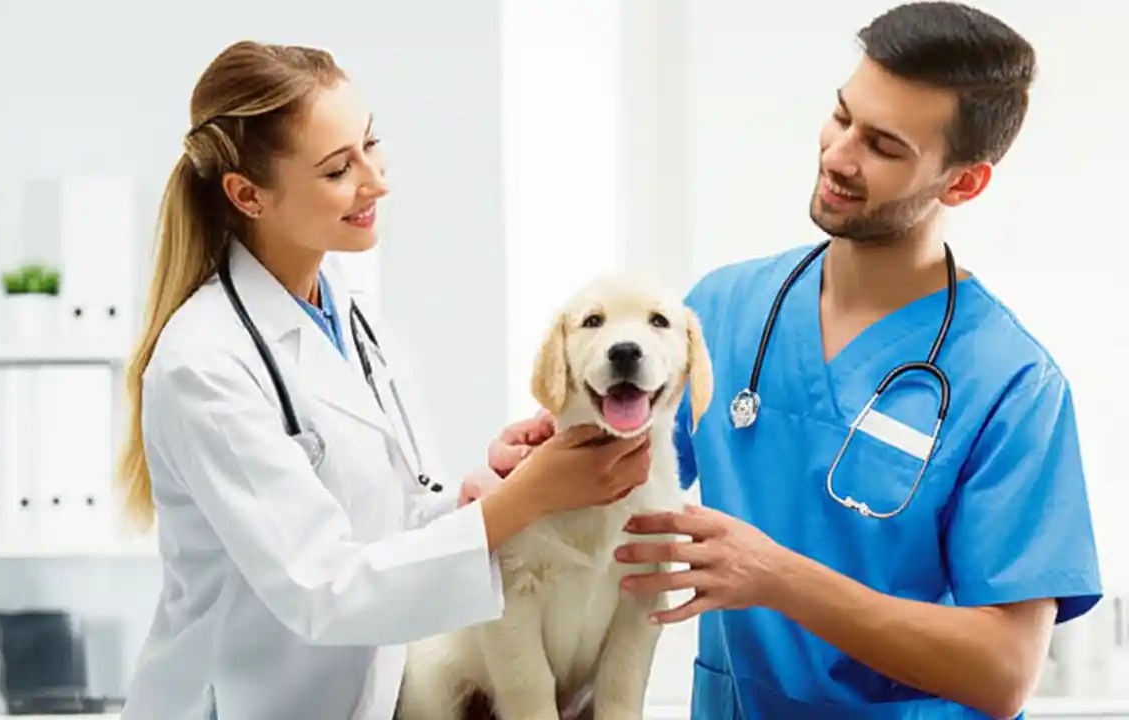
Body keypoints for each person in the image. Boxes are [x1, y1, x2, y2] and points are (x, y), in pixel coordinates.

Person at [490, 3, 1102, 719]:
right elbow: (619, 471)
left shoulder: (1012, 386)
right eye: (842, 117)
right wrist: (537, 461)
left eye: (883, 145)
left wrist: (777, 577)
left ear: (962, 183)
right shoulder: (722, 310)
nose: (840, 155)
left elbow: (1003, 672)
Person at [114, 41, 652, 720]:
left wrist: (491, 489)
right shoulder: (205, 364)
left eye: (371, 146)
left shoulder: (357, 326)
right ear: (247, 194)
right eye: (339, 169)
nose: (376, 181)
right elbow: (323, 587)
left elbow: (392, 522)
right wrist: (521, 504)